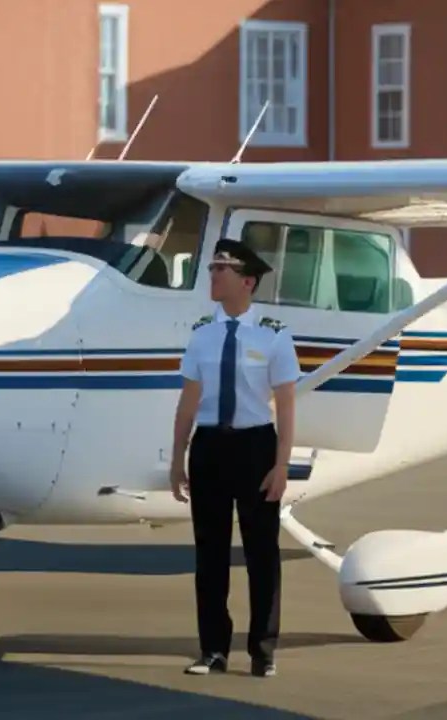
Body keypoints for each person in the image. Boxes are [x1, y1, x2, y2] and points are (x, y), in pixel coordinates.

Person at [170, 237, 300, 679]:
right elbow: (188, 402)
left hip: (255, 447)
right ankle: (213, 651)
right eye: (212, 268)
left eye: (221, 269)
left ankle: (263, 651)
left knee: (262, 553)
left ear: (247, 281)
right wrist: (176, 459)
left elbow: (285, 405)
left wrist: (281, 465)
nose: (213, 275)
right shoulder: (202, 335)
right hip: (210, 448)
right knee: (209, 555)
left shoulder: (275, 335)